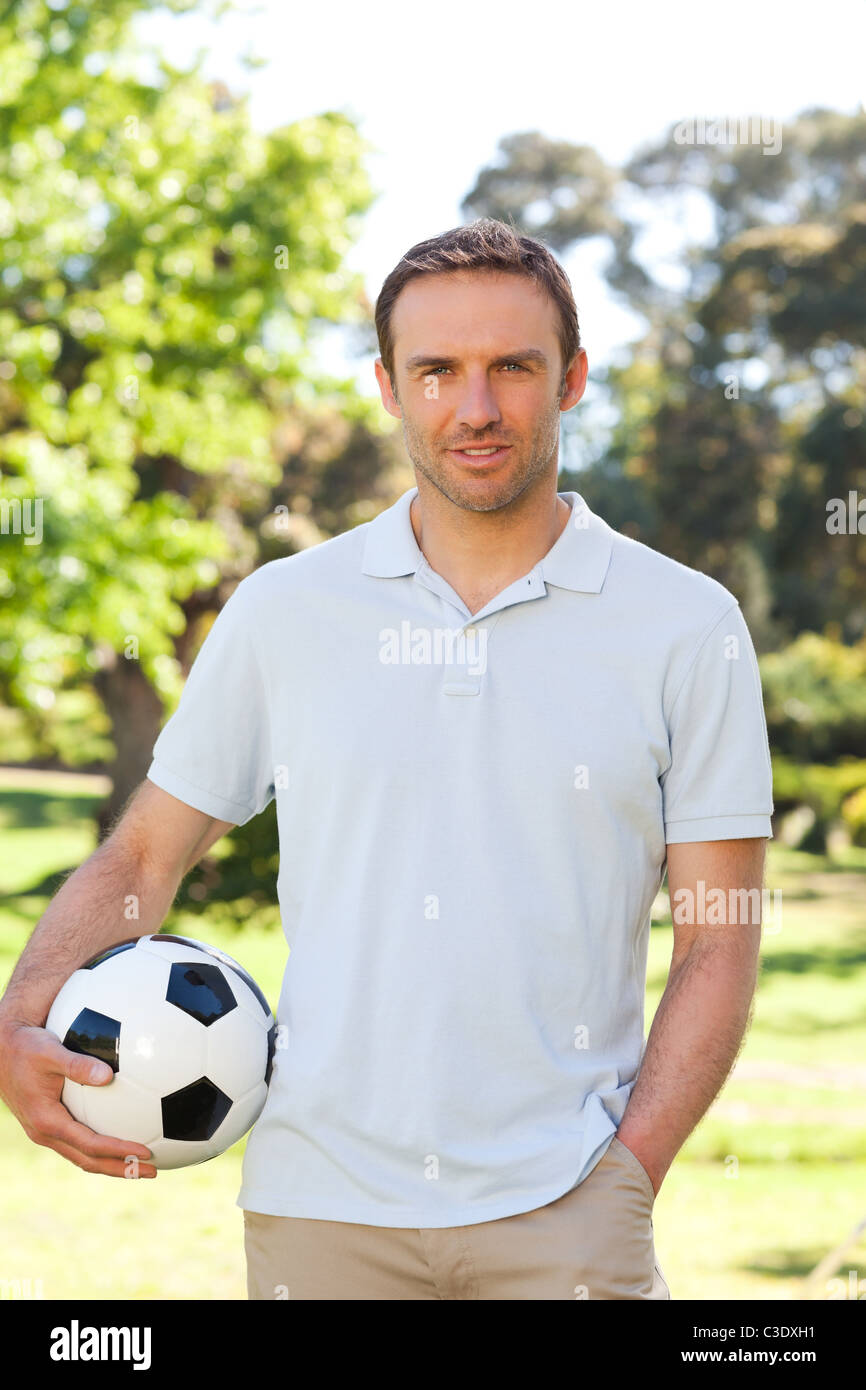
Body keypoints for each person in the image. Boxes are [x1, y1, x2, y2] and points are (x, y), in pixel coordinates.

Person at [0, 218, 773, 1300]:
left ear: (572, 379)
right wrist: (22, 1015)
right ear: (386, 386)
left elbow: (717, 940)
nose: (475, 407)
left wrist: (625, 1174)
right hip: (317, 1211)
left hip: (566, 1212)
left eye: (512, 367)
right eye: (437, 371)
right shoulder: (284, 609)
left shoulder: (685, 626)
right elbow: (141, 861)